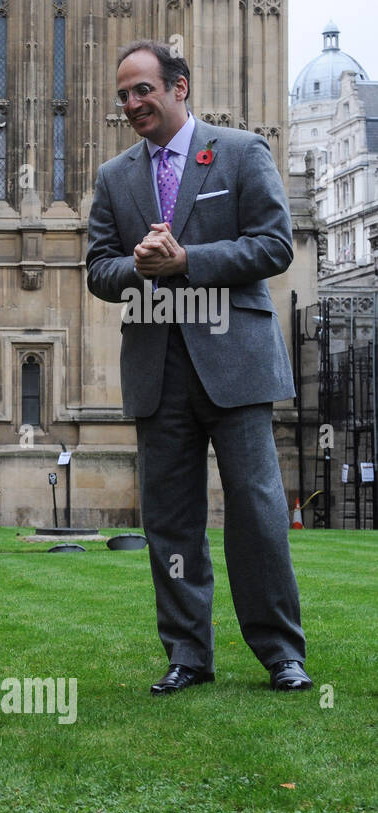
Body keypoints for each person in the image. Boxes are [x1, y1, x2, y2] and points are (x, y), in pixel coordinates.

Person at [86, 41, 311, 694]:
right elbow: (100, 269)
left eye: (142, 91)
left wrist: (188, 262)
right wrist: (140, 267)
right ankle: (188, 654)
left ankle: (280, 653)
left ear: (180, 87)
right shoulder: (114, 177)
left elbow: (274, 245)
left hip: (234, 363)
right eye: (123, 95)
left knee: (258, 510)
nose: (131, 104)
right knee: (170, 522)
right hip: (159, 371)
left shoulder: (240, 153)